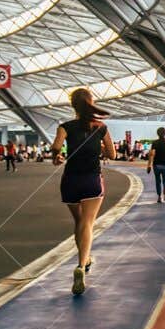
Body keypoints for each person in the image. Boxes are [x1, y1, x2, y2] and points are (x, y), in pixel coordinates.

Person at [51, 88, 116, 296]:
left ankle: (86, 258)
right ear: (90, 103)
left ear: (73, 106)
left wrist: (58, 156)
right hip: (92, 180)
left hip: (70, 180)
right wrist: (101, 150)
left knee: (79, 222)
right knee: (87, 223)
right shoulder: (101, 127)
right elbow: (112, 154)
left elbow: (56, 148)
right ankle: (81, 265)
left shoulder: (64, 127)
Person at [147, 126, 165, 203]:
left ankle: (159, 197)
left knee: (158, 181)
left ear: (157, 134)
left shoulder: (155, 143)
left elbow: (152, 154)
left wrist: (149, 165)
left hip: (156, 165)